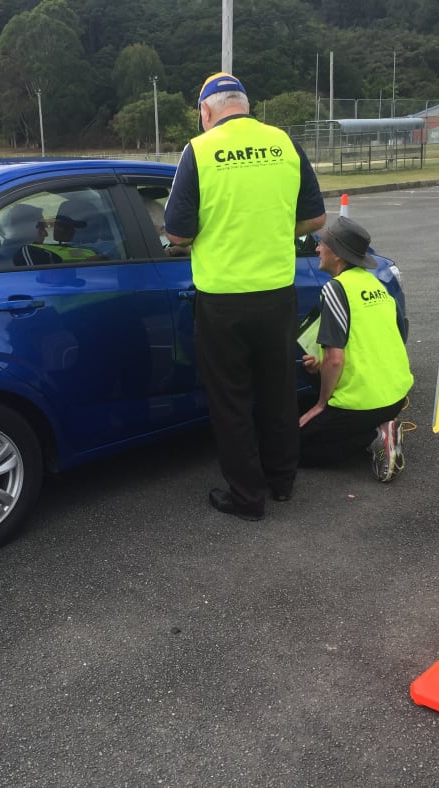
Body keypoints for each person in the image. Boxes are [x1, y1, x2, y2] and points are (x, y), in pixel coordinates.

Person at [164, 72, 326, 521]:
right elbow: (315, 218)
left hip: (223, 299)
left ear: (206, 112)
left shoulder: (199, 150)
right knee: (277, 391)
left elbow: (177, 231)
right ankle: (282, 482)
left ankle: (247, 496)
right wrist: (272, 229)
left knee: (231, 399)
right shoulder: (284, 145)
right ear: (246, 105)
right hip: (276, 292)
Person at [298, 215, 413, 482]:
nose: (317, 248)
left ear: (337, 255)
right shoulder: (375, 284)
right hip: (395, 395)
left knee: (292, 449)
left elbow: (335, 359)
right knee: (312, 370)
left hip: (364, 401)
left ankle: (373, 436)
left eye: (322, 244)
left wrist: (321, 404)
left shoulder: (336, 289)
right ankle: (378, 425)